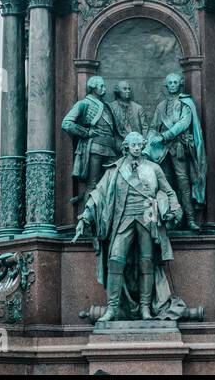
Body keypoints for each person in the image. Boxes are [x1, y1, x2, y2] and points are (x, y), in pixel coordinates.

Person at [72, 132, 186, 322]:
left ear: (142, 146)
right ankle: (112, 309)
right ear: (126, 146)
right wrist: (85, 217)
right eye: (133, 144)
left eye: (139, 144)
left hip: (148, 218)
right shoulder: (115, 170)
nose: (136, 147)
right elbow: (97, 195)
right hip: (123, 219)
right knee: (115, 259)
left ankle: (145, 309)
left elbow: (169, 192)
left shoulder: (154, 168)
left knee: (146, 262)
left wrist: (175, 209)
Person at [146, 72, 205, 231]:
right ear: (166, 86)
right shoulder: (161, 106)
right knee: (158, 184)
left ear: (180, 85)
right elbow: (153, 127)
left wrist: (164, 136)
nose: (172, 85)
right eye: (170, 83)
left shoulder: (186, 103)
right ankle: (154, 219)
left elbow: (183, 124)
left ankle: (190, 219)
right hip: (161, 152)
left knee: (183, 184)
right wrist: (149, 141)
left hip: (178, 148)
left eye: (175, 82)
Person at [61, 75, 121, 205]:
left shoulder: (107, 106)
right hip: (95, 148)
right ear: (93, 88)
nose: (104, 89)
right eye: (101, 86)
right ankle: (87, 220)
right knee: (92, 184)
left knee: (114, 181)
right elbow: (66, 124)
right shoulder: (84, 104)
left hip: (110, 150)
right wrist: (86, 132)